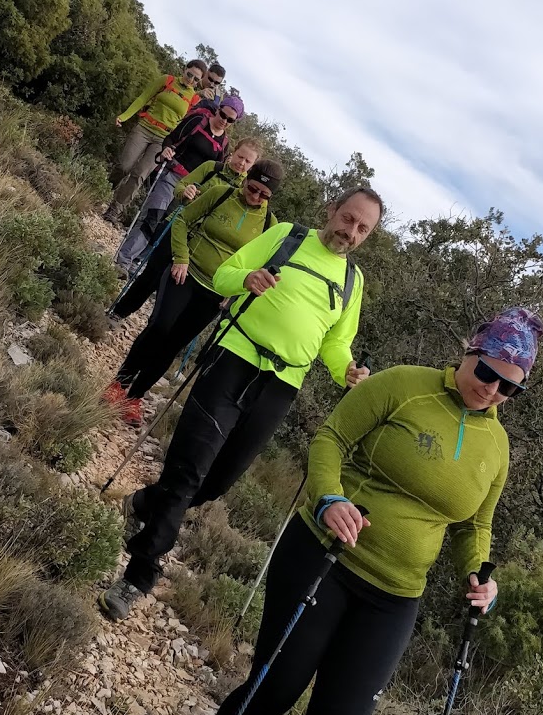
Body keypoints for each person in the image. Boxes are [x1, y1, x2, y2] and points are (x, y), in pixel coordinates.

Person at [157, 306, 543, 715]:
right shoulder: (402, 385)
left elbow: (475, 526)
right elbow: (329, 440)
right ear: (469, 351)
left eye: (510, 387)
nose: (493, 390)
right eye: (487, 373)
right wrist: (330, 499)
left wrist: (481, 575)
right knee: (279, 684)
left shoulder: (495, 446)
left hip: (396, 595)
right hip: (325, 554)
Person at [100, 187, 382, 620]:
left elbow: (336, 341)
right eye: (348, 218)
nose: (351, 231)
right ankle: (140, 573)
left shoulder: (352, 281)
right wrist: (247, 279)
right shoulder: (287, 237)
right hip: (233, 357)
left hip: (281, 385)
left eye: (363, 228)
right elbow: (224, 275)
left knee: (217, 482)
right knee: (188, 469)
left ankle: (144, 503)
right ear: (332, 210)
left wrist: (345, 369)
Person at [100, 160, 282, 434]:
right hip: (185, 273)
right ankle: (119, 382)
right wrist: (181, 258)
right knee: (160, 326)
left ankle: (135, 397)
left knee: (173, 344)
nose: (255, 197)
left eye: (263, 195)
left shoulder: (270, 225)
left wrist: (235, 293)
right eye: (252, 188)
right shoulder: (220, 193)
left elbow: (260, 267)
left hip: (217, 292)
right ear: (246, 180)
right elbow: (183, 220)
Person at [108, 137, 263, 325]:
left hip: (199, 244)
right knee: (151, 275)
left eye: (248, 161)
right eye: (240, 156)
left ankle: (152, 329)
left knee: (173, 290)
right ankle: (118, 313)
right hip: (176, 227)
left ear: (253, 166)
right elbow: (180, 186)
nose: (242, 163)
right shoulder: (211, 168)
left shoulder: (245, 191)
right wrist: (185, 191)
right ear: (233, 152)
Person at [114, 96, 245, 272]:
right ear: (218, 109)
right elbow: (171, 138)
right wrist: (166, 149)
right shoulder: (198, 120)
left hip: (191, 190)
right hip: (172, 175)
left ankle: (136, 262)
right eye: (223, 115)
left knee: (166, 226)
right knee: (152, 216)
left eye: (230, 120)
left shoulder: (224, 144)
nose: (224, 121)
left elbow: (215, 171)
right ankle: (124, 260)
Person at [103, 60, 206, 224]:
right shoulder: (167, 80)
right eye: (189, 74)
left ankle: (115, 210)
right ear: (184, 69)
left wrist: (174, 146)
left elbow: (186, 126)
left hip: (163, 139)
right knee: (124, 166)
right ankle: (104, 187)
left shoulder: (194, 99)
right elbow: (143, 98)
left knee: (139, 175)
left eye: (196, 79)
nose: (191, 80)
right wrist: (124, 116)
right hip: (144, 128)